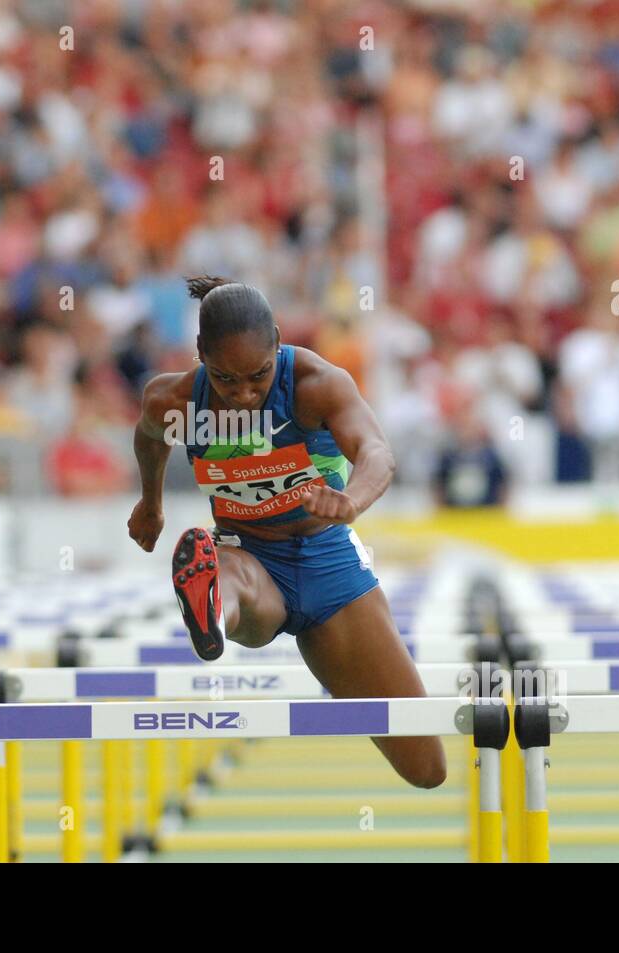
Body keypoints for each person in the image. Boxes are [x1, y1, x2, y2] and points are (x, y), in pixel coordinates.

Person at [127, 276, 446, 789]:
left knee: (426, 768)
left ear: (278, 341)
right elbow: (149, 437)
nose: (244, 394)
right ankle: (213, 610)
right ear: (199, 354)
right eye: (226, 379)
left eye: (257, 375)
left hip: (329, 562)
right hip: (248, 552)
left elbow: (377, 452)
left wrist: (351, 500)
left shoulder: (317, 384)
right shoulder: (175, 401)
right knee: (232, 574)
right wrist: (151, 501)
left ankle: (219, 605)